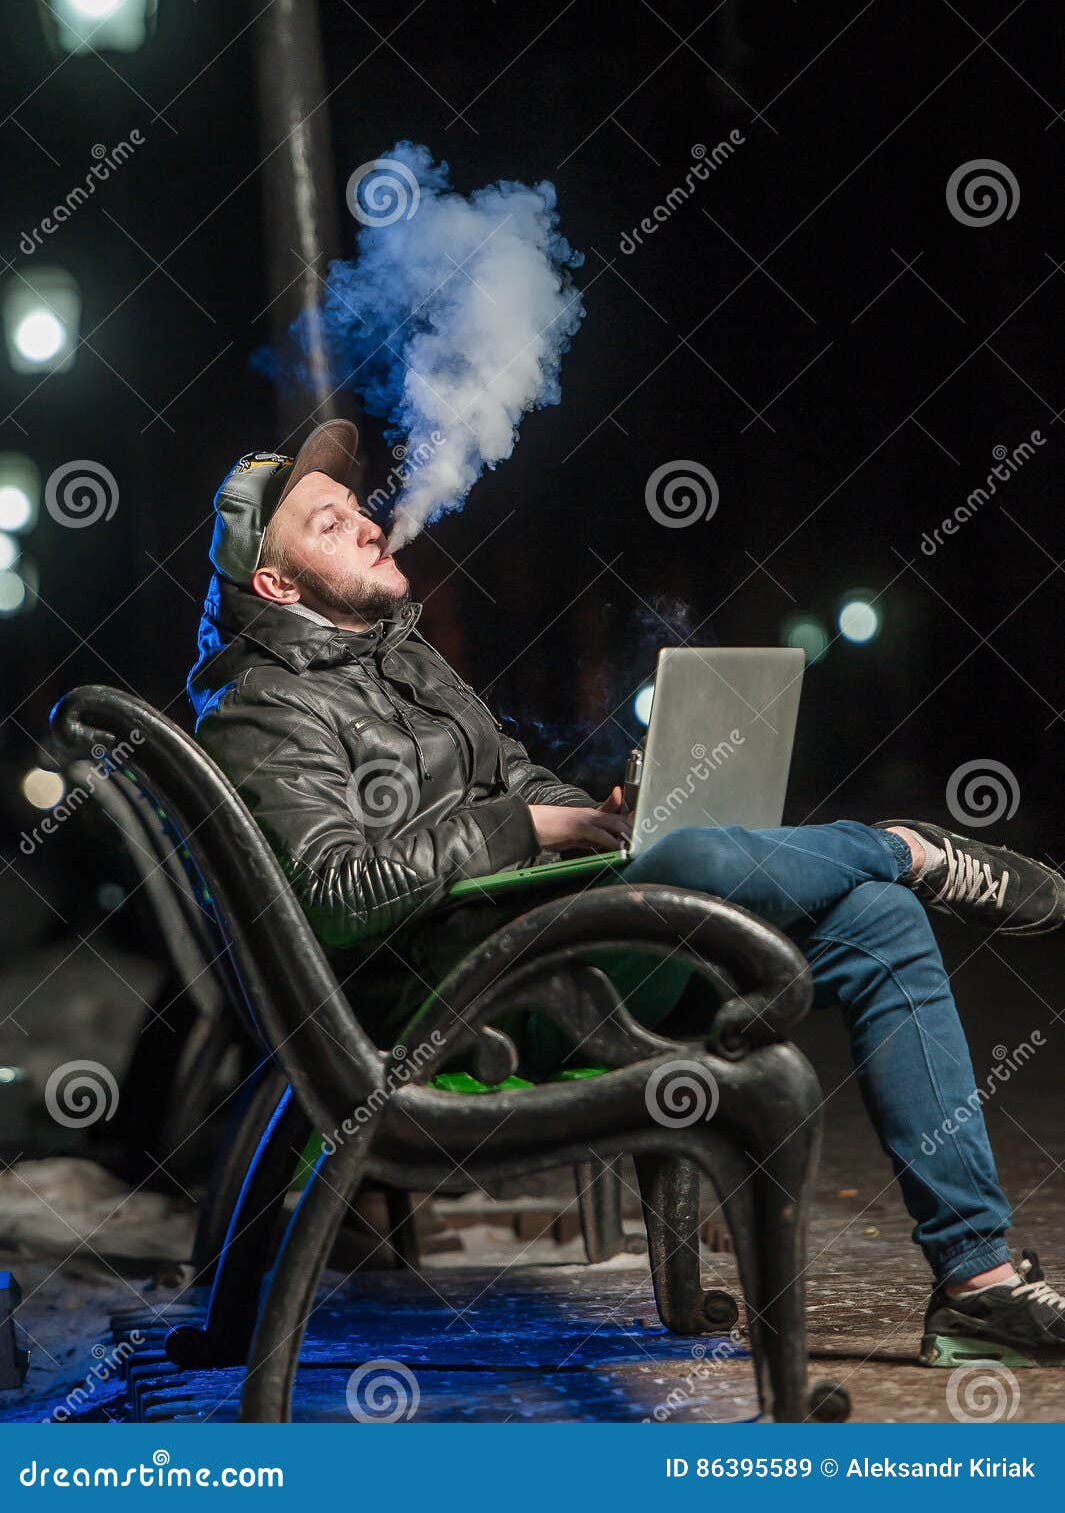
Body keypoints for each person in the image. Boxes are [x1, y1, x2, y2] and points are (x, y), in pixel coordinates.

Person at [187, 419, 1065, 1367]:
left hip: (542, 953)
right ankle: (903, 846)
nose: (366, 524)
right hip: (454, 1005)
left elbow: (518, 784)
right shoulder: (262, 706)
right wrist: (534, 831)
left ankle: (977, 1283)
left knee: (875, 922)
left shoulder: (403, 662)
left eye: (357, 507)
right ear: (275, 585)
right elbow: (335, 892)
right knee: (691, 866)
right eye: (329, 524)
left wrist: (602, 820)